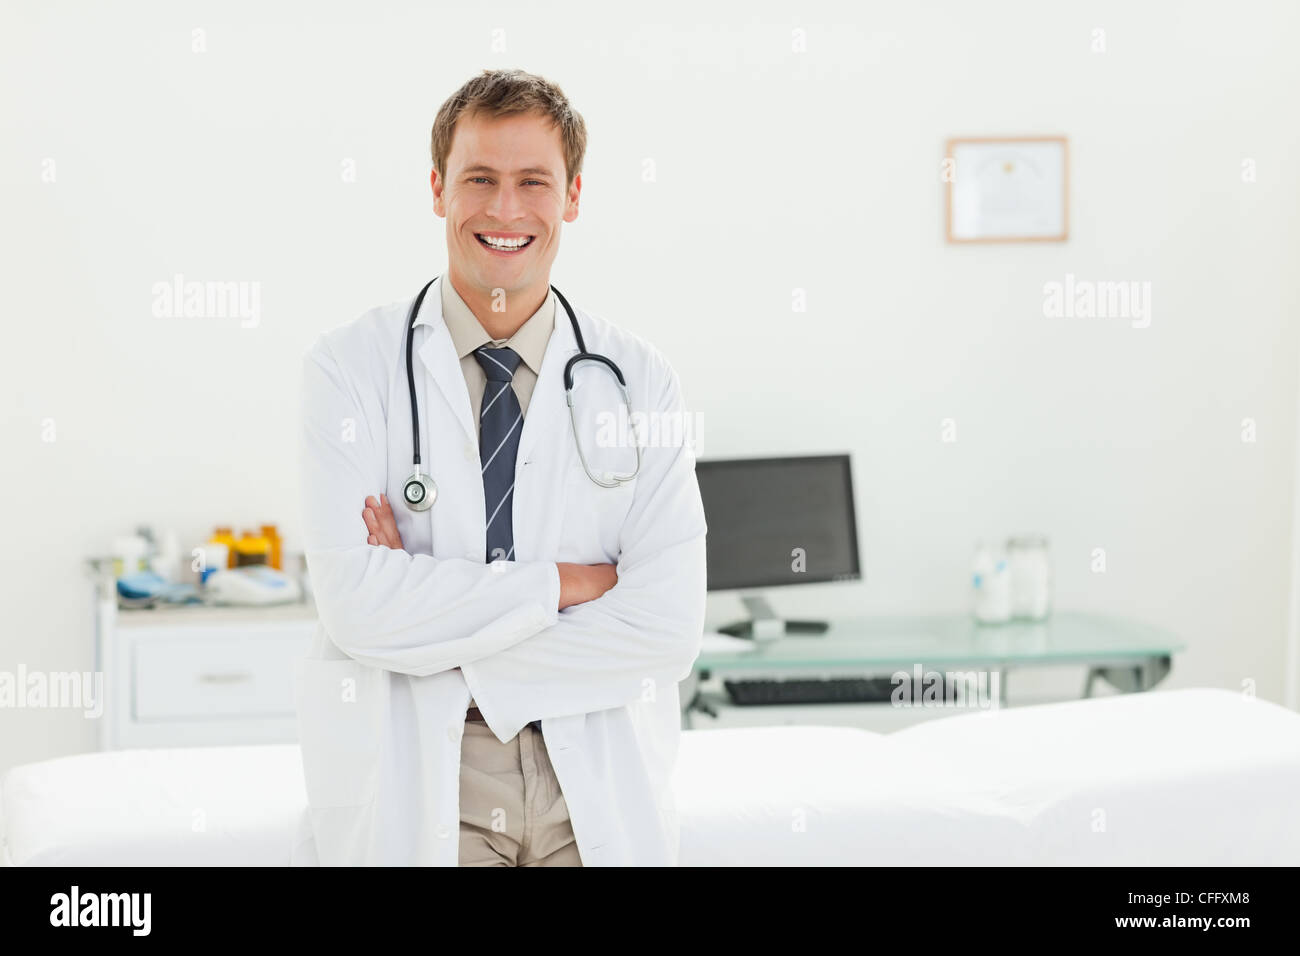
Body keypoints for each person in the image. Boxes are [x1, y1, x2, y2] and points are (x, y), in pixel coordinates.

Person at [294, 68, 707, 866]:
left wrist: (426, 617)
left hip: (593, 764)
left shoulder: (641, 379)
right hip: (425, 768)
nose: (506, 209)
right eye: (479, 179)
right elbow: (354, 609)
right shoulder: (348, 370)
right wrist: (565, 585)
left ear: (574, 196)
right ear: (439, 190)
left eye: (533, 182)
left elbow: (665, 628)